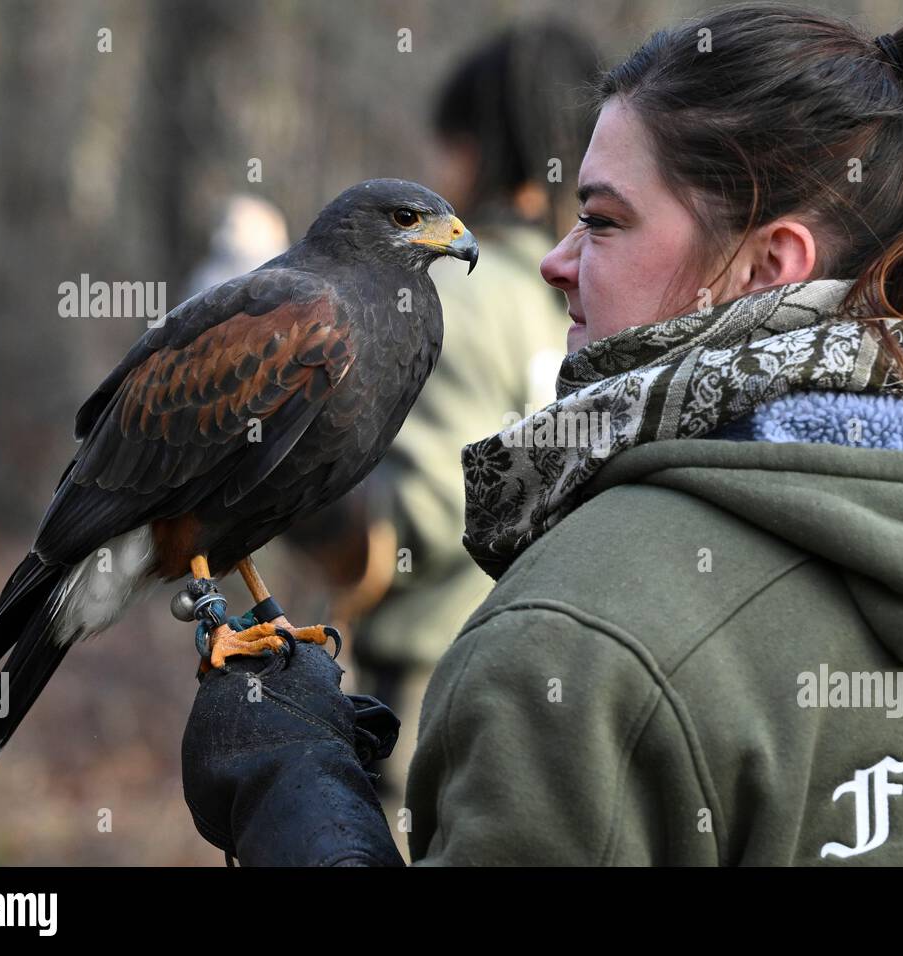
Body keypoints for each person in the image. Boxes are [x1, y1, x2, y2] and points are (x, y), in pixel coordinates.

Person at [181, 4, 903, 866]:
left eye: (606, 220)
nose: (555, 261)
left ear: (768, 265)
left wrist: (301, 813)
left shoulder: (580, 642)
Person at [278, 20, 599, 859]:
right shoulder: (587, 294)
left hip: (424, 696)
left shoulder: (464, 292)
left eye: (448, 144)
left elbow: (395, 531)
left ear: (478, 147)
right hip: (568, 695)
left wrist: (266, 395)